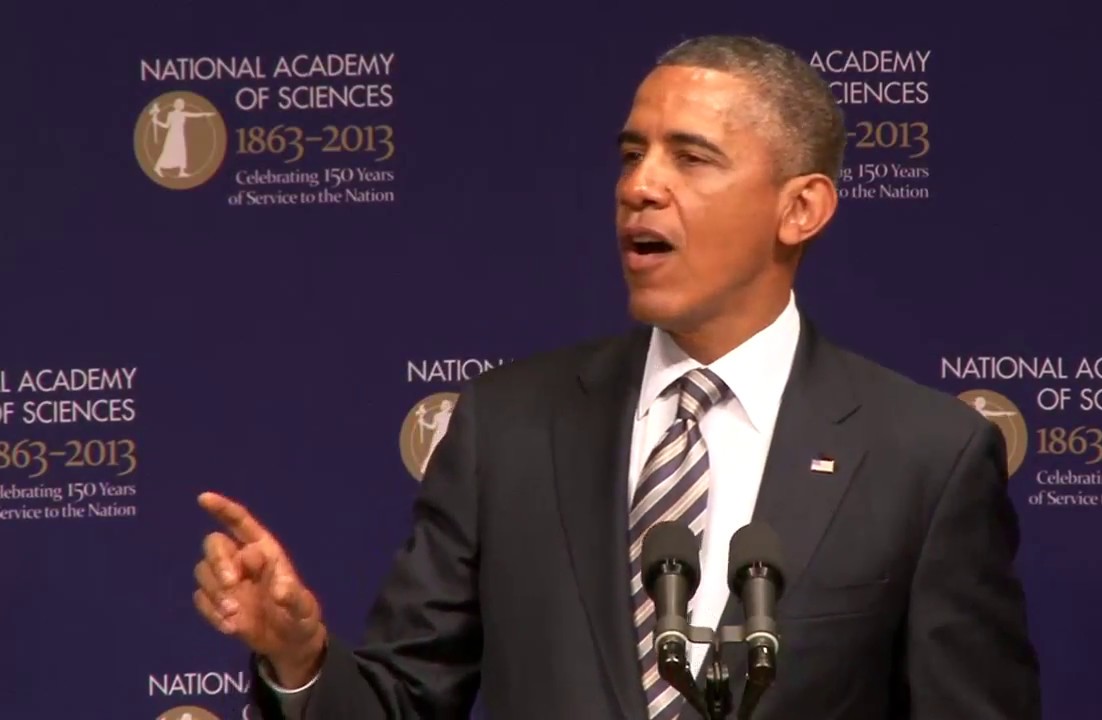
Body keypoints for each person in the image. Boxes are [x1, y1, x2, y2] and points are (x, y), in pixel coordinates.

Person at [192, 34, 1042, 720]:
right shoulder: (507, 429)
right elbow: (407, 701)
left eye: (692, 157)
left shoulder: (923, 456)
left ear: (801, 208)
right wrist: (300, 660)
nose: (640, 186)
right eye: (633, 154)